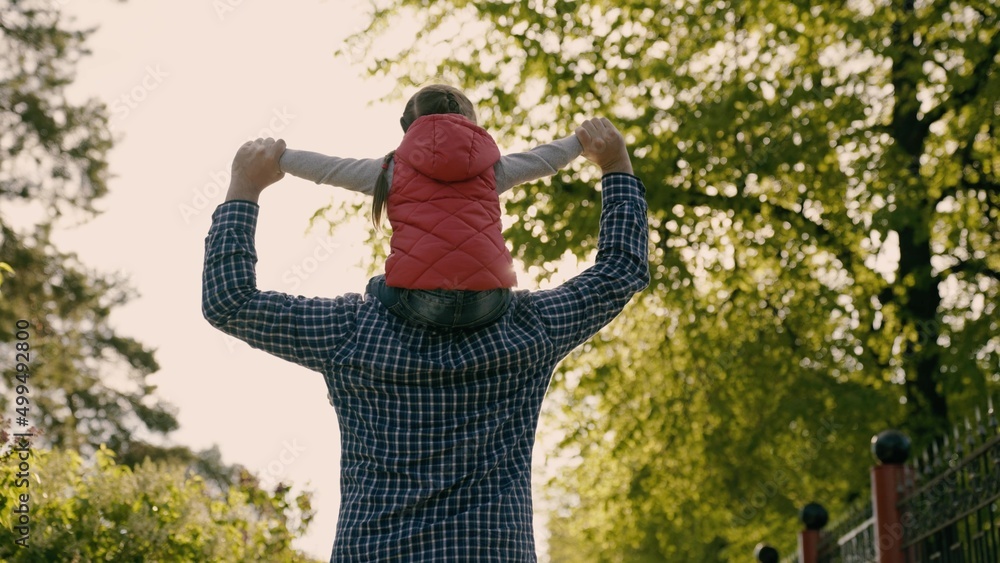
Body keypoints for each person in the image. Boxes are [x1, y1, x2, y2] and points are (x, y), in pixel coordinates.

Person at [202, 117, 648, 562]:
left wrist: (245, 186)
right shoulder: (530, 332)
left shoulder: (351, 334)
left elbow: (230, 300)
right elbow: (620, 270)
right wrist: (615, 165)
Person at [278, 84, 584, 329]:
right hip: (488, 302)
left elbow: (327, 168)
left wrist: (278, 155)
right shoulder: (491, 170)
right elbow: (545, 159)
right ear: (472, 123)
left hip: (417, 302)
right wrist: (581, 140)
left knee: (376, 287)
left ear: (404, 126)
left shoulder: (390, 170)